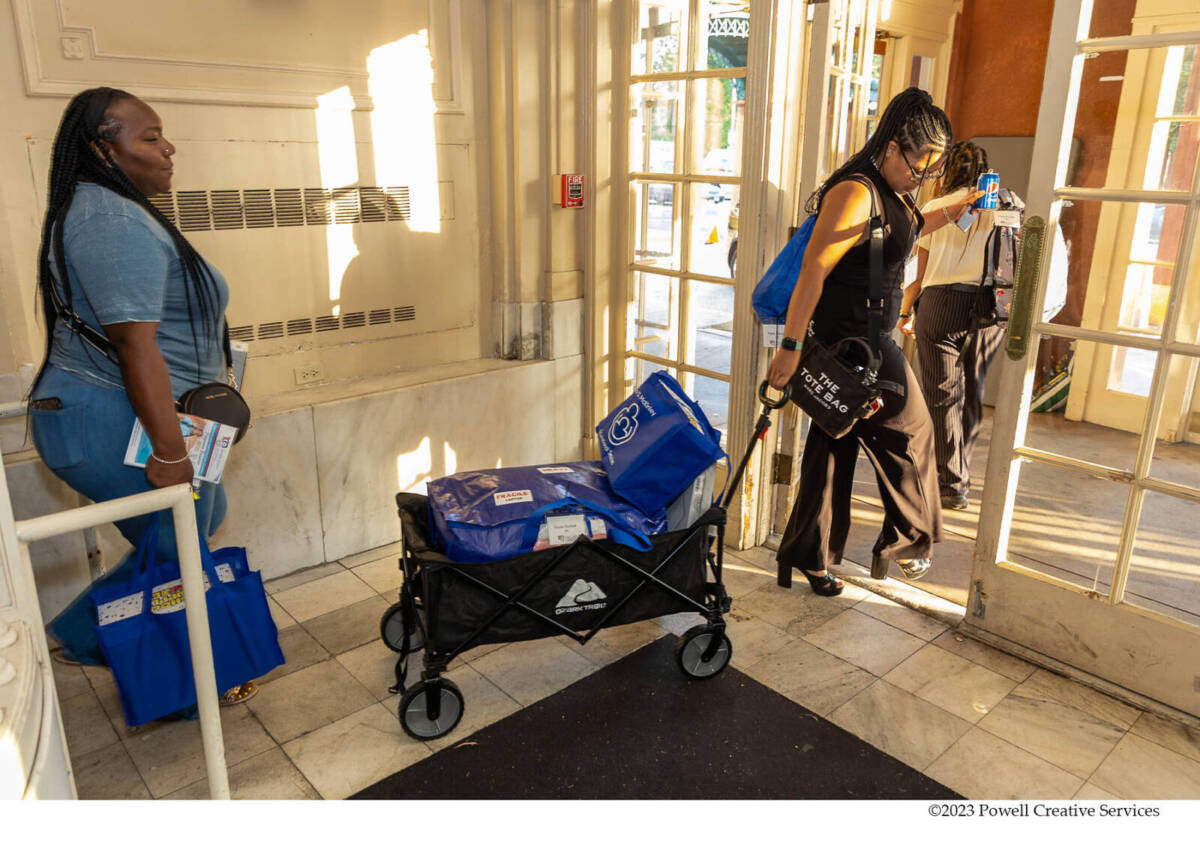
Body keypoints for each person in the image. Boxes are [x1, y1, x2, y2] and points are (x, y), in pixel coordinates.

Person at [27, 87, 255, 708]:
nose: (168, 148)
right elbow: (134, 347)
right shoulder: (108, 218)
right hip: (105, 416)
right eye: (150, 137)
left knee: (195, 521)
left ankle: (83, 634)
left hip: (151, 411)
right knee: (179, 535)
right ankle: (174, 679)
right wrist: (170, 450)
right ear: (103, 148)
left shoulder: (118, 211)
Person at [766, 88, 978, 593]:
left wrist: (958, 207)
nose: (921, 178)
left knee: (833, 445)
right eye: (917, 167)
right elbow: (813, 274)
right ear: (889, 146)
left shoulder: (895, 192)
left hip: (867, 337)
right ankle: (906, 540)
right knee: (915, 433)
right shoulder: (854, 191)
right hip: (851, 345)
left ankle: (808, 556)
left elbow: (907, 227)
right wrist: (790, 349)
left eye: (931, 172)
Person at [897, 141, 1004, 512]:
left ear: (948, 170)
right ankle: (959, 473)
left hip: (942, 302)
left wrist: (905, 311)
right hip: (989, 304)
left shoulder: (933, 208)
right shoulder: (1003, 207)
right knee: (972, 390)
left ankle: (951, 481)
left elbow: (919, 274)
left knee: (942, 393)